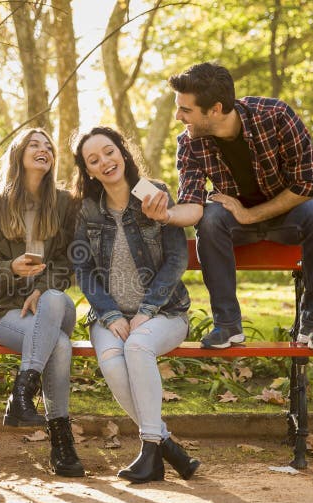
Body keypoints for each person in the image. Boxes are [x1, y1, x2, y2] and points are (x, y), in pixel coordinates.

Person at [143, 62, 313, 350]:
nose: (178, 117)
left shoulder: (275, 116)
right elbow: (193, 206)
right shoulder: (190, 142)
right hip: (235, 225)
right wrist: (166, 215)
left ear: (216, 109)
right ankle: (227, 326)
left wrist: (250, 214)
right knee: (210, 219)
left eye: (186, 110)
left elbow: (307, 185)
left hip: (290, 218)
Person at [72, 126, 200, 483]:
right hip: (109, 317)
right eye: (93, 159)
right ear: (88, 171)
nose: (105, 162)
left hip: (165, 312)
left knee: (138, 346)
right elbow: (82, 269)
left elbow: (177, 259)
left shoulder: (152, 193)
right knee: (113, 365)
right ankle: (165, 447)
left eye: (109, 151)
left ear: (123, 152)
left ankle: (149, 449)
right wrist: (111, 314)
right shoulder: (86, 211)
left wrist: (146, 311)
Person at [0, 128, 84, 477]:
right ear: (19, 154)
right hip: (8, 311)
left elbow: (70, 261)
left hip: (54, 306)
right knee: (60, 344)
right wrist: (11, 268)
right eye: (34, 145)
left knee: (54, 299)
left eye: (48, 146)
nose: (44, 150)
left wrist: (41, 286)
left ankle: (21, 393)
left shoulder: (65, 203)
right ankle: (61, 441)